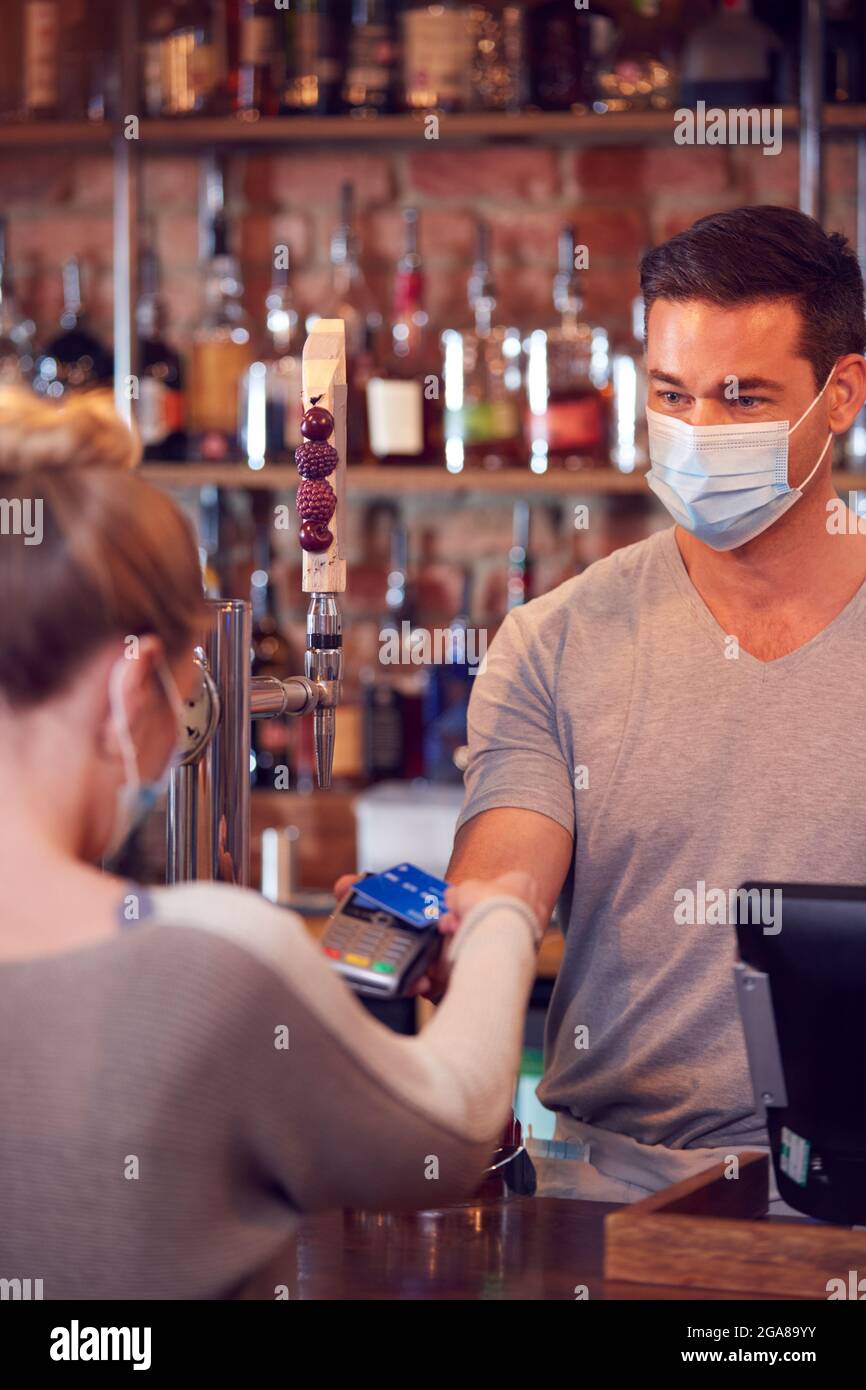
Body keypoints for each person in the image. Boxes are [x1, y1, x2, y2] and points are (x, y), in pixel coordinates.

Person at [0, 387, 544, 1299]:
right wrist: (500, 925)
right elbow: (447, 1135)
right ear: (135, 682)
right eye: (185, 691)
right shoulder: (203, 962)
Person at [443, 205, 866, 1205]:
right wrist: (450, 937)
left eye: (740, 397)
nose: (696, 432)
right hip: (612, 1203)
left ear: (839, 392)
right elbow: (503, 890)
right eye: (670, 394)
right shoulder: (554, 641)